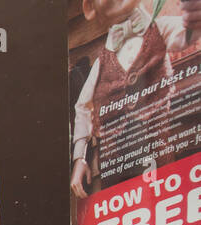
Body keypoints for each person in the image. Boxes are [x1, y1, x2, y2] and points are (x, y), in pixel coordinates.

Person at [71, 0, 201, 198]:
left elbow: (186, 34)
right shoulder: (101, 62)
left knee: (165, 201)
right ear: (89, 8)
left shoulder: (161, 30)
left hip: (156, 152)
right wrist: (79, 158)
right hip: (114, 164)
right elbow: (83, 107)